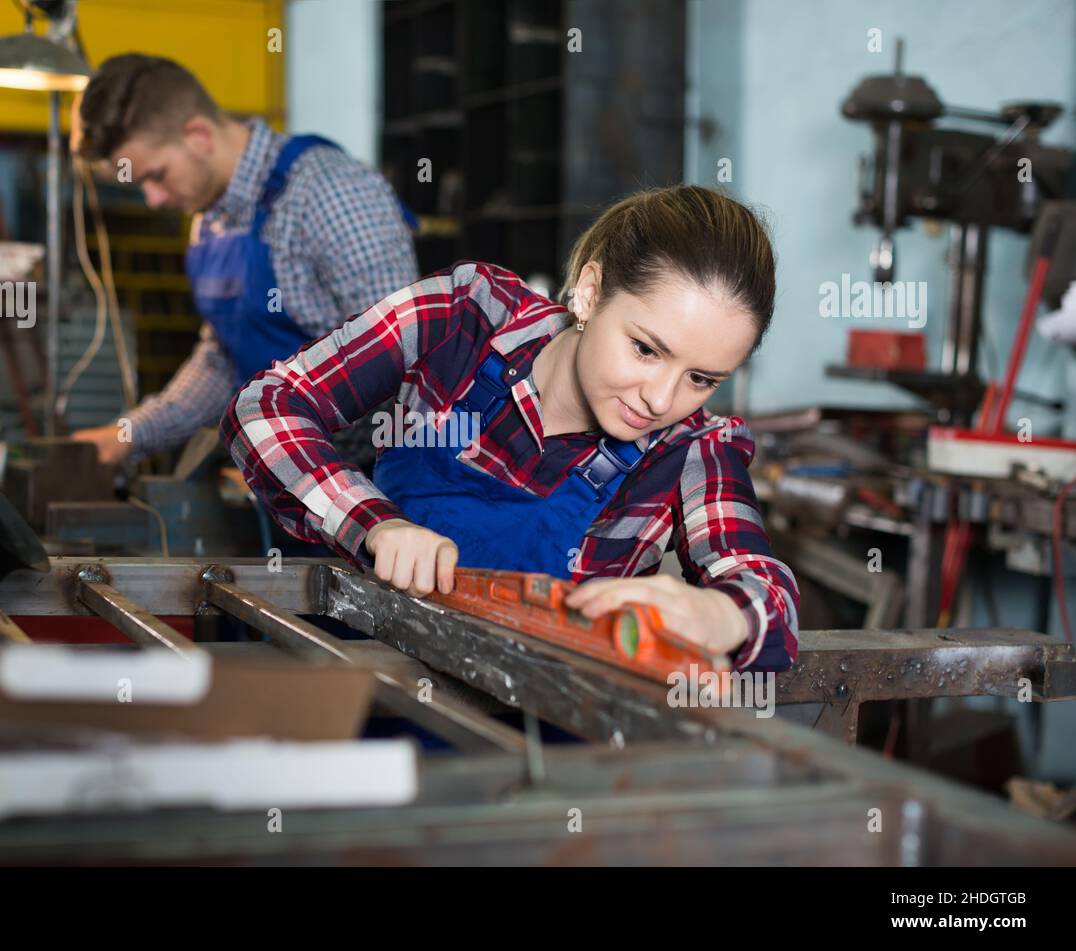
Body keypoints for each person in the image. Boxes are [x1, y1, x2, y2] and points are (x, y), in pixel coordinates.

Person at [221, 185, 799, 670]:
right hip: (362, 683)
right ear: (592, 293)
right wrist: (374, 525)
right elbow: (267, 406)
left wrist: (722, 614)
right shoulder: (465, 317)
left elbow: (766, 589)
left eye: (701, 378)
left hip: (533, 743)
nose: (660, 398)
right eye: (645, 349)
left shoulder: (692, 449)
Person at [69, 53, 418, 466]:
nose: (154, 199)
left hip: (368, 488)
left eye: (156, 176)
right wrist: (130, 434)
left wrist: (306, 463)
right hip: (287, 481)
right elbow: (221, 358)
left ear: (198, 135)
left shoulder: (331, 192)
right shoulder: (211, 219)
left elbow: (401, 365)